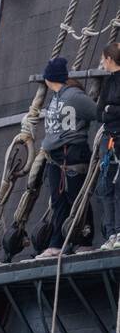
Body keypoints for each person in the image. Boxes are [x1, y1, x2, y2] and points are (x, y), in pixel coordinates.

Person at [37, 56, 98, 258]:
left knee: (77, 198)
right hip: (56, 157)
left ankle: (84, 241)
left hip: (71, 153)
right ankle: (57, 243)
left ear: (50, 78)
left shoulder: (73, 97)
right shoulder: (56, 96)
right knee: (58, 200)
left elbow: (96, 113)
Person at [96, 43, 120, 249]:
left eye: (104, 58)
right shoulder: (109, 82)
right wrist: (111, 110)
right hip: (110, 139)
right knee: (105, 187)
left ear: (110, 59)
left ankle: (119, 232)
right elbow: (98, 112)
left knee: (118, 185)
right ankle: (111, 233)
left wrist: (110, 109)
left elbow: (106, 109)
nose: (102, 62)